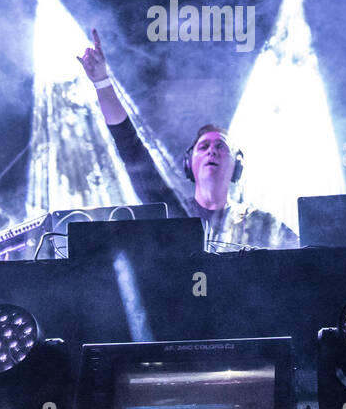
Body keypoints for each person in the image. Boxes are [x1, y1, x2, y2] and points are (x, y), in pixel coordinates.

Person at [77, 28, 296, 252]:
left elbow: (306, 258)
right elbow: (130, 147)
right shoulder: (172, 212)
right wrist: (102, 83)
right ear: (189, 163)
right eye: (203, 147)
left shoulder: (260, 223)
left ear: (236, 166)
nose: (212, 151)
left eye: (221, 146)